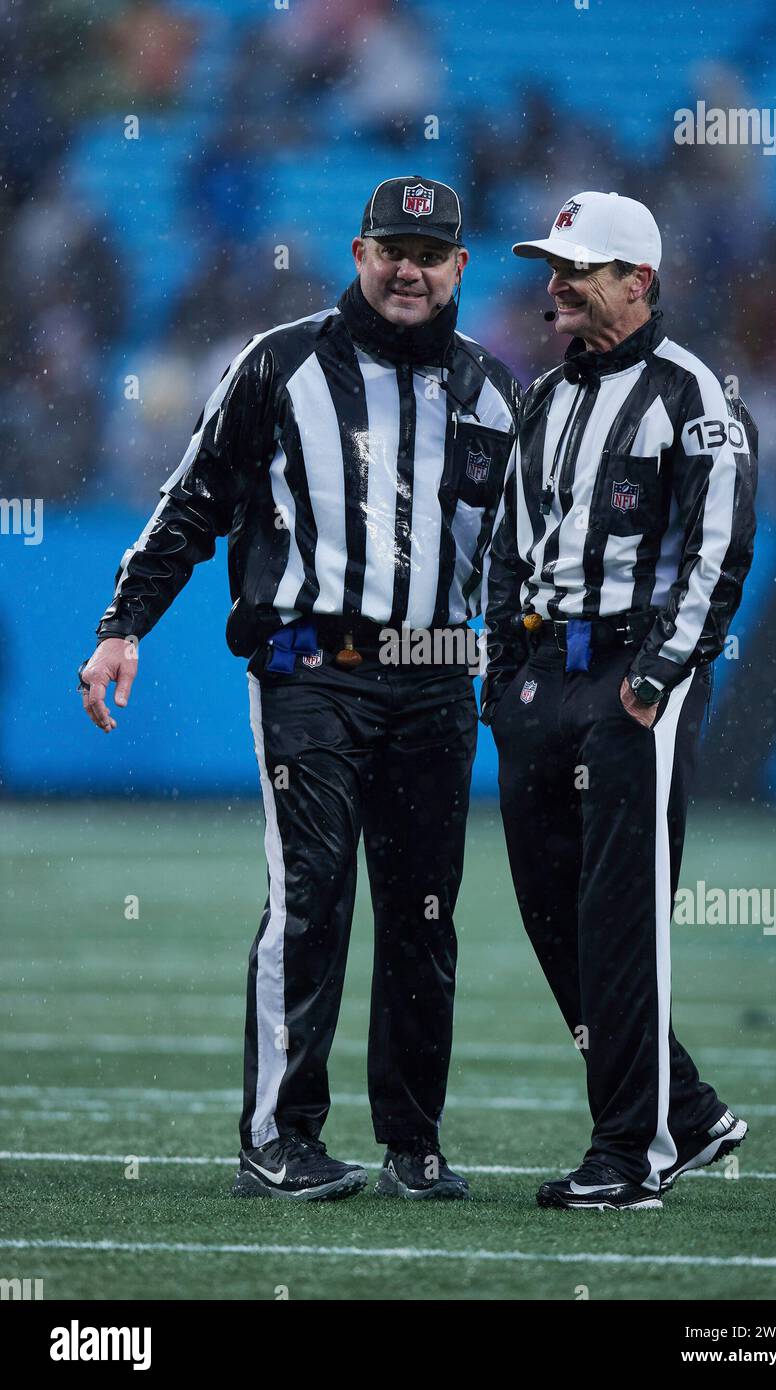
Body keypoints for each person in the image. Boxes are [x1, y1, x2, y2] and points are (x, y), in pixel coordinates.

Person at [78, 175, 520, 1202]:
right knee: (312, 896)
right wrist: (122, 625)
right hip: (310, 669)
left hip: (435, 679)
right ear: (358, 252)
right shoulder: (278, 364)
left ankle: (414, 1142)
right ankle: (279, 1136)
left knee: (422, 912)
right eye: (391, 249)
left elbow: (516, 554)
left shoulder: (492, 390)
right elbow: (191, 500)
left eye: (430, 252)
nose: (408, 269)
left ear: (460, 267)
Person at [483, 190, 757, 1210]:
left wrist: (651, 677)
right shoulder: (544, 398)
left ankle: (628, 1155)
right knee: (553, 914)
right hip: (540, 674)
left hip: (630, 674)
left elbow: (718, 548)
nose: (554, 284)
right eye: (552, 267)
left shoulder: (694, 395)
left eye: (578, 269)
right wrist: (498, 678)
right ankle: (681, 1112)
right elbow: (509, 548)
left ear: (635, 282)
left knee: (616, 916)